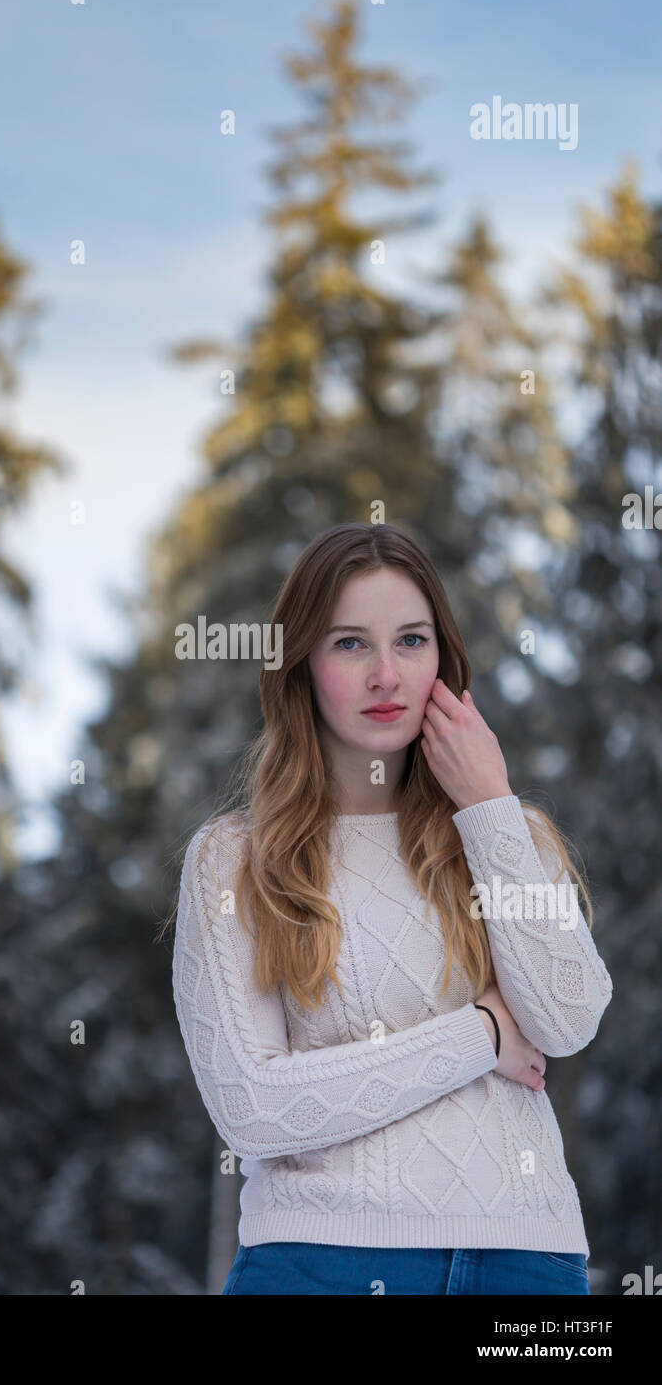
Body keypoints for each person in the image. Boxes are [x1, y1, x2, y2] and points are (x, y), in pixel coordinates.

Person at [169, 521, 613, 1295]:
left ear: (443, 659)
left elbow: (568, 1018)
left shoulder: (504, 833)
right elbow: (253, 1110)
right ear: (300, 664)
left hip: (526, 1263)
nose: (386, 675)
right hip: (320, 1263)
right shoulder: (234, 859)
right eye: (349, 644)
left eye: (411, 640)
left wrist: (487, 806)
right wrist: (482, 1033)